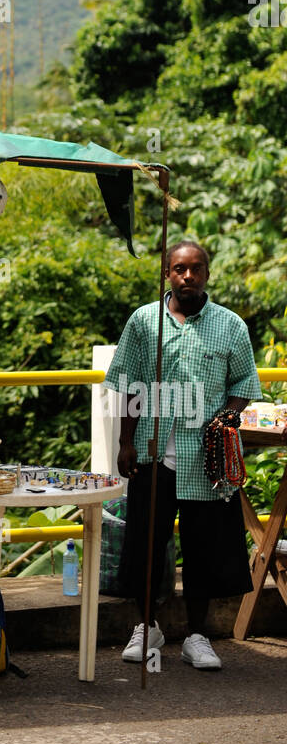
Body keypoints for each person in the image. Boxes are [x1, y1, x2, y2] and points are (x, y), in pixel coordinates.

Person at [105, 240, 260, 671]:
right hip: (153, 454)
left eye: (195, 269)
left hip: (205, 463)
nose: (187, 276)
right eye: (178, 269)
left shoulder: (230, 326)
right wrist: (125, 441)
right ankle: (147, 626)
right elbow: (128, 383)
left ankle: (197, 634)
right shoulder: (143, 322)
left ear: (207, 273)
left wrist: (224, 420)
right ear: (166, 273)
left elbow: (244, 384)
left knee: (203, 547)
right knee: (146, 544)